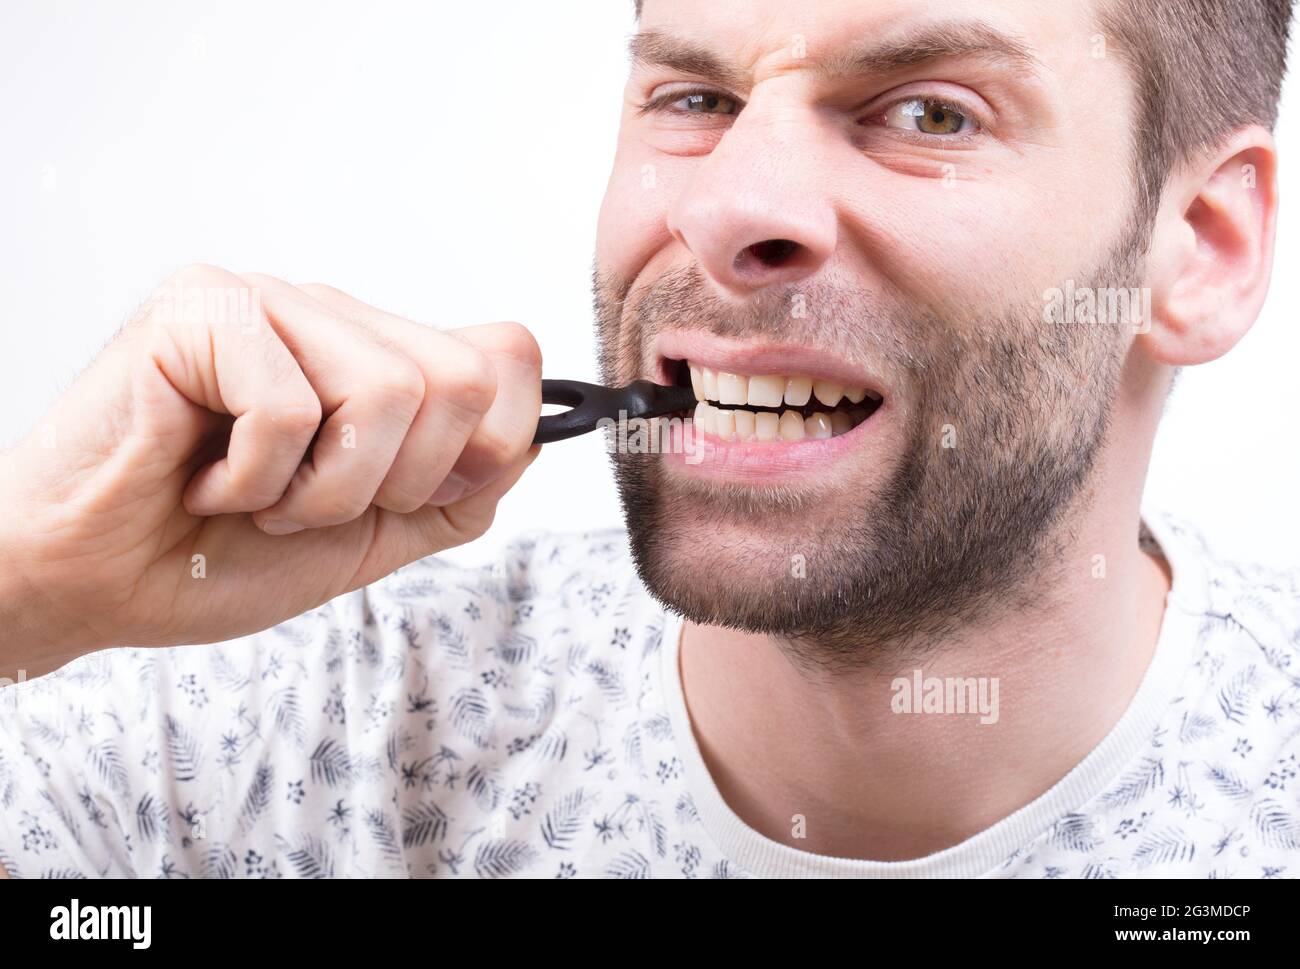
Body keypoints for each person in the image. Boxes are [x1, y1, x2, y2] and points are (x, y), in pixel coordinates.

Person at [1, 0, 1296, 879]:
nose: (730, 205)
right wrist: (29, 584)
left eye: (930, 114)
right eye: (693, 94)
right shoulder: (297, 729)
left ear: (1199, 248)